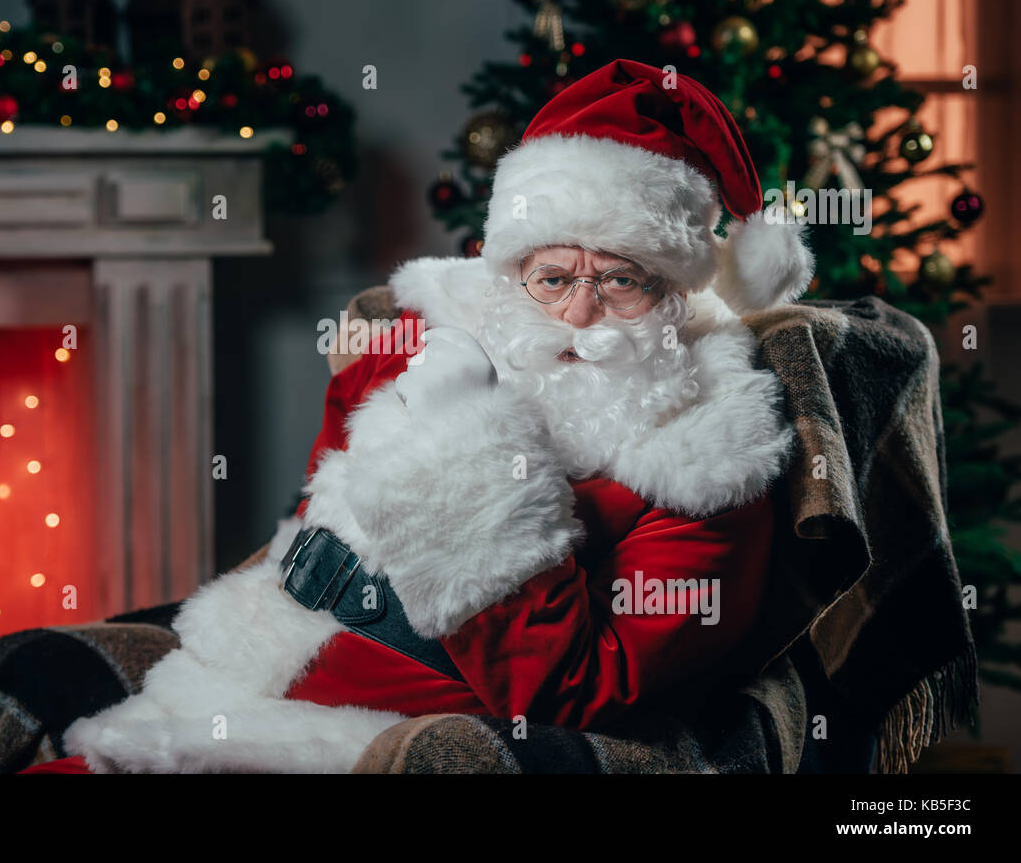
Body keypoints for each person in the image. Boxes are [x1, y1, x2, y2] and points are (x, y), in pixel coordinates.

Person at [57, 59, 815, 772]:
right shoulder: (427, 339)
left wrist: (465, 454)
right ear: (511, 273)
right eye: (552, 276)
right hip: (224, 679)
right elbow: (314, 506)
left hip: (368, 743)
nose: (581, 312)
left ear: (675, 297)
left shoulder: (708, 466)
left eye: (622, 279)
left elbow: (584, 694)